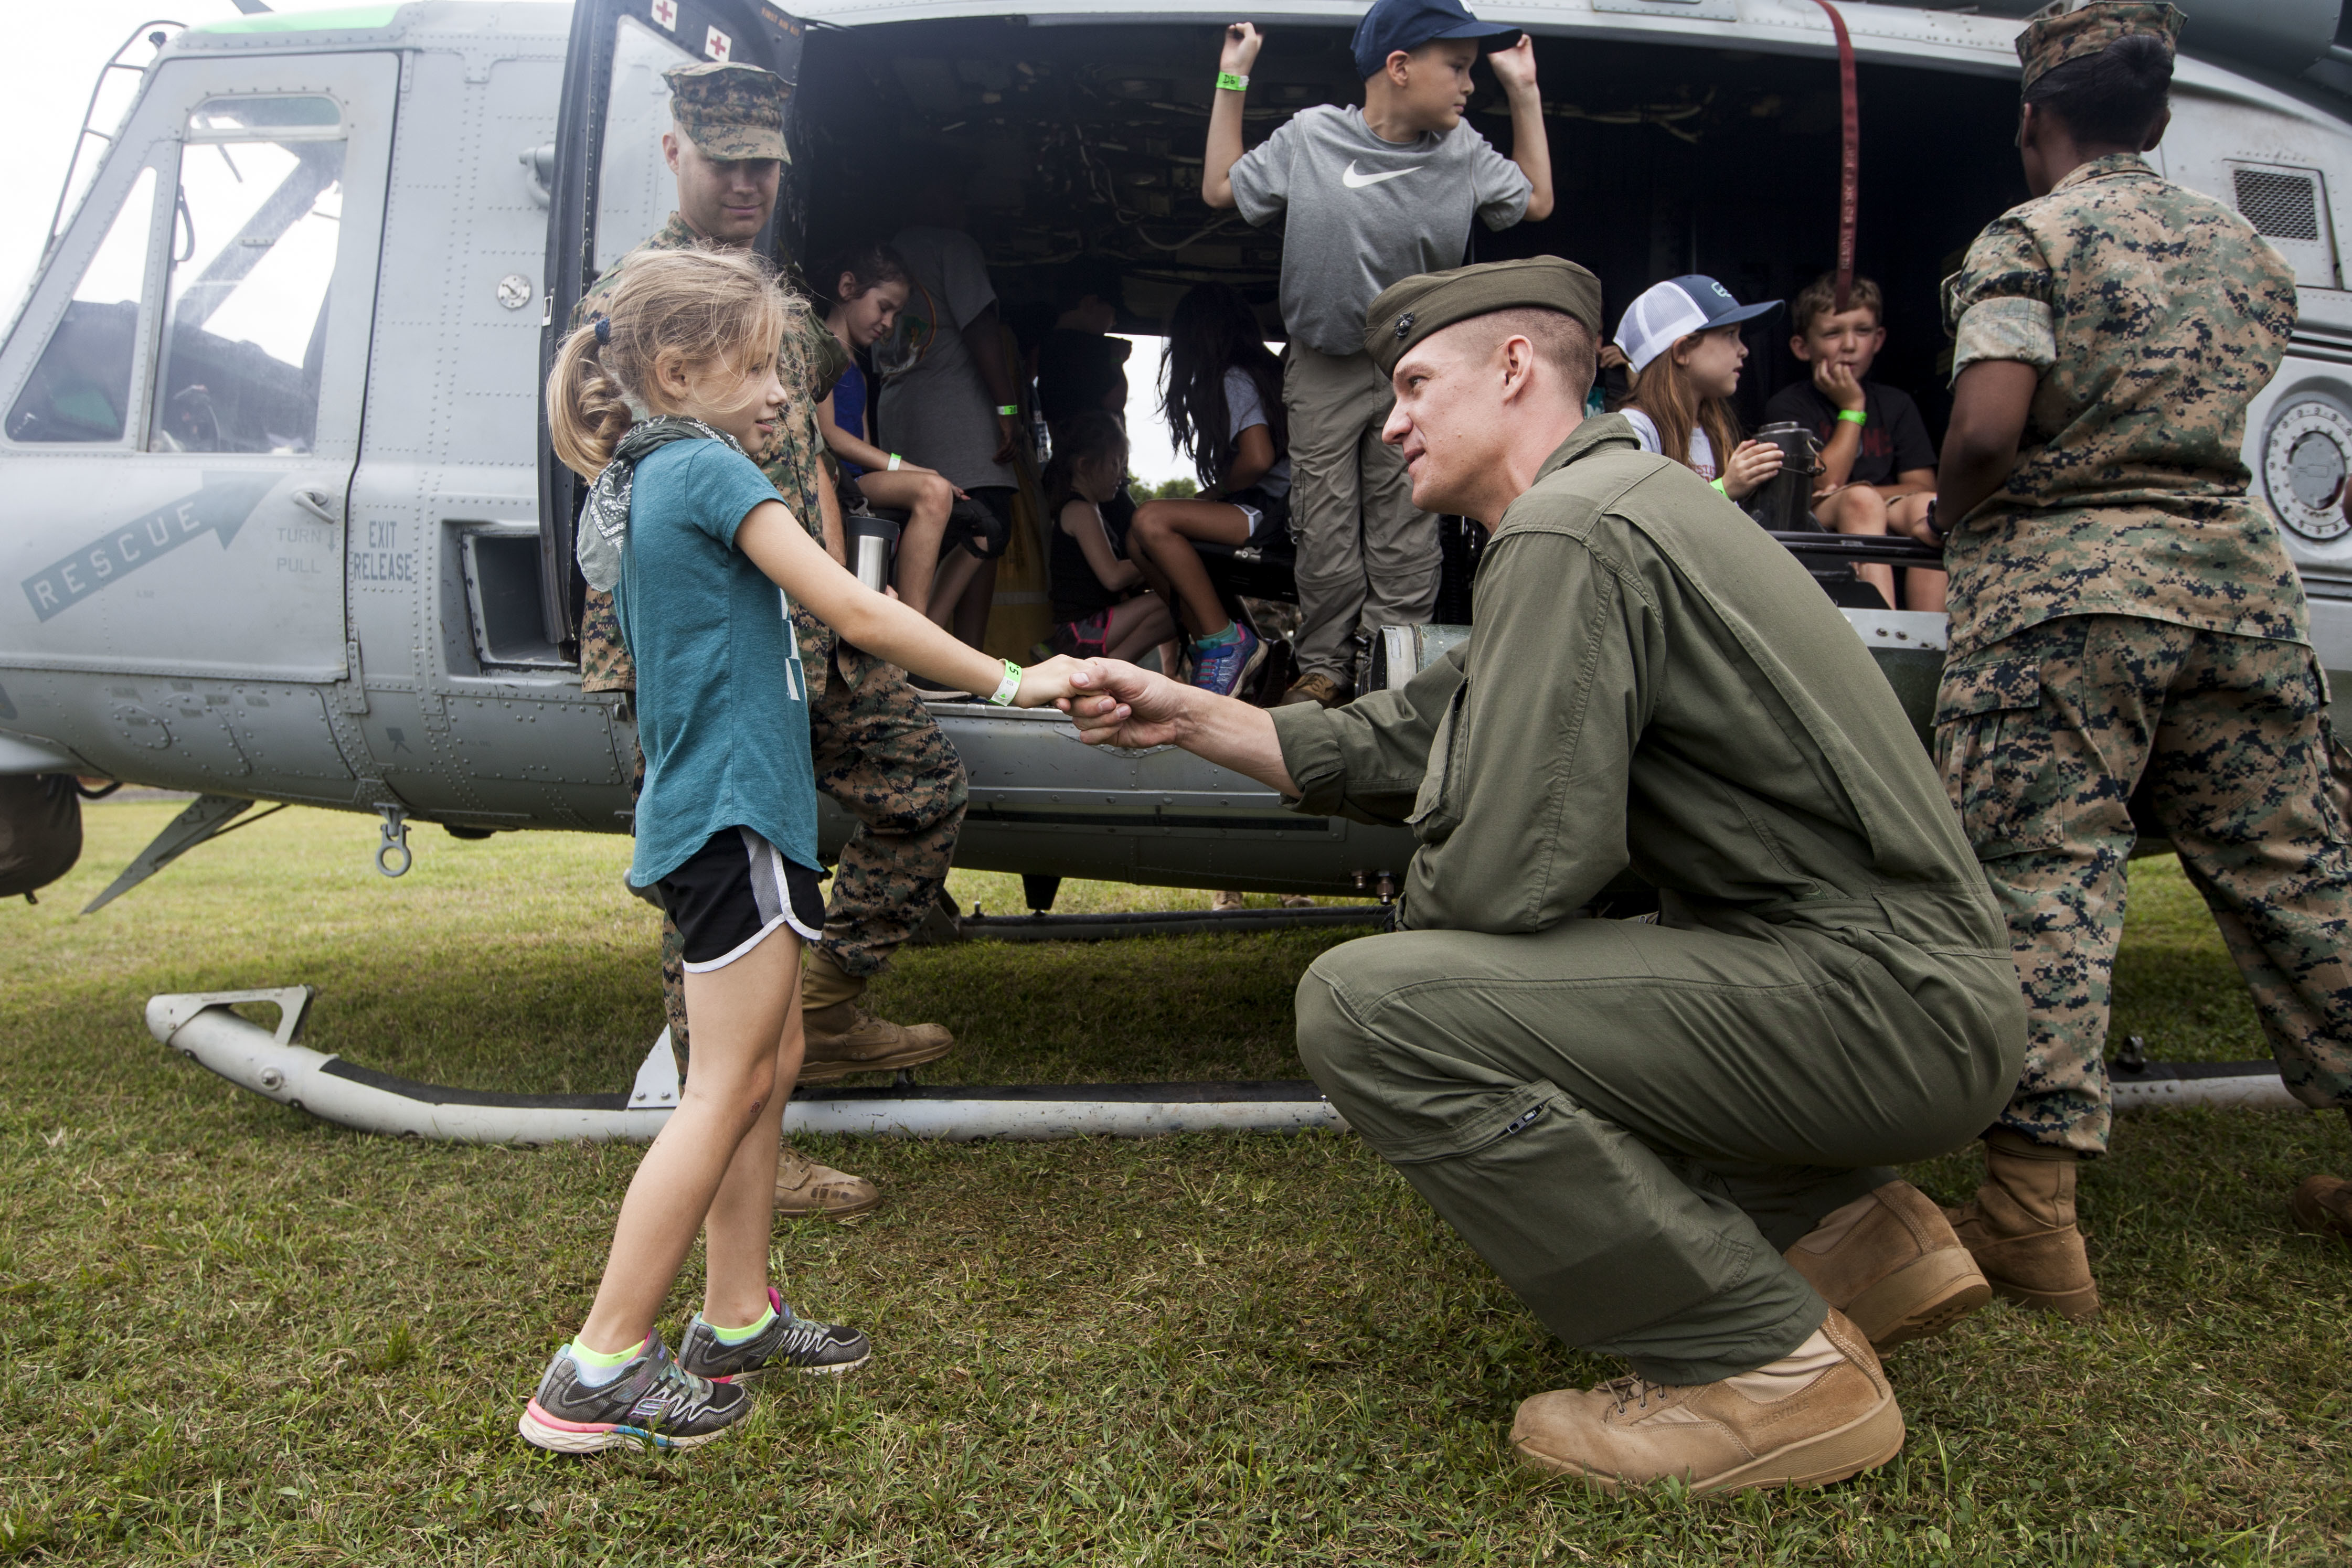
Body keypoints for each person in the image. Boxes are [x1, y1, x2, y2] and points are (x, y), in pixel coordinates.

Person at [1062, 256, 2028, 1495]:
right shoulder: (1616, 506)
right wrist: (1190, 714)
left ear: (1515, 368)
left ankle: (1760, 1369)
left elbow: (1507, 882)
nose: (1391, 422)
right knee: (1552, 984)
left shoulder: (1570, 530)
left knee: (1375, 1009)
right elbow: (1410, 733)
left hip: (1884, 1007)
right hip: (1902, 992)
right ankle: (1849, 1234)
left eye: (1414, 385)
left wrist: (1437, 945)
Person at [528, 248, 1078, 1452]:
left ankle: (733, 1318)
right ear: (681, 373)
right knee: (725, 1086)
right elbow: (855, 606)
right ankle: (596, 1369)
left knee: (768, 1065)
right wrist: (1015, 678)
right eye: (758, 367)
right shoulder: (702, 469)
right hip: (730, 820)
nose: (785, 390)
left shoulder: (661, 473)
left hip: (737, 817)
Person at [1933, 1, 2352, 1311]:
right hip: (2239, 597)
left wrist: (1952, 517)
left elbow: (1988, 429)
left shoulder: (2028, 238)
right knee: (2298, 879)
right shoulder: (2244, 250)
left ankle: (2029, 1220)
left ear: (2032, 122)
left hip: (2067, 601)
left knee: (2044, 879)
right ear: (2159, 117)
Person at [574, 62, 971, 1220]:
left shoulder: (780, 303)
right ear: (675, 154)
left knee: (923, 789)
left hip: (813, 621)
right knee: (713, 891)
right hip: (703, 636)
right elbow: (610, 466)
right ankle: (737, 1126)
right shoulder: (639, 298)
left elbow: (804, 444)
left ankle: (823, 1009)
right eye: (725, 160)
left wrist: (847, 585)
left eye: (765, 164)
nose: (748, 181)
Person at [1204, 0, 1553, 708]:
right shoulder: (1312, 137)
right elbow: (1219, 188)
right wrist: (1231, 76)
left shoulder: (1461, 151)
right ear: (1398, 68)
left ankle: (1389, 674)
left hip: (1417, 374)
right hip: (1324, 367)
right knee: (1324, 526)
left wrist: (1524, 90)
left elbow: (1536, 201)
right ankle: (1324, 668)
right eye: (1456, 67)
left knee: (1406, 527)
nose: (1469, 85)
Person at [879, 190, 1026, 646]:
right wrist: (1007, 408)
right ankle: (958, 653)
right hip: (957, 424)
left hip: (898, 420)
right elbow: (981, 327)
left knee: (925, 537)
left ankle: (925, 648)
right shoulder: (951, 246)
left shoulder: (887, 256)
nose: (965, 208)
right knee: (985, 527)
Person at [1129, 283, 1288, 698]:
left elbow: (1257, 459)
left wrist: (1218, 491)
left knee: (1150, 519)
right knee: (1137, 540)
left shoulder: (1234, 376)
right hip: (1271, 507)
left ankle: (1224, 642)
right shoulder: (1260, 371)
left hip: (1275, 513)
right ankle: (1220, 642)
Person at [1764, 272, 1944, 611]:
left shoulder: (1897, 404)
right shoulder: (1789, 405)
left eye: (1862, 331)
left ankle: (1931, 628)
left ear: (1878, 339)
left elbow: (1922, 485)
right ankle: (1882, 629)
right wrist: (1852, 408)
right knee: (1861, 501)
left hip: (1882, 506)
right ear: (1802, 347)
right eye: (1833, 333)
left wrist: (1869, 494)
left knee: (1930, 506)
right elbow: (1825, 481)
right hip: (1818, 512)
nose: (1849, 344)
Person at [814, 239, 967, 617]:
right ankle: (913, 625)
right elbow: (831, 435)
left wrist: (912, 475)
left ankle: (914, 618)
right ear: (848, 287)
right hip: (833, 480)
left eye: (896, 315)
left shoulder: (859, 370)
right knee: (933, 488)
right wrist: (917, 472)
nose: (889, 324)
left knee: (954, 505)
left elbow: (865, 448)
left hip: (858, 482)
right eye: (884, 308)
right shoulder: (819, 349)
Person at [1612, 274, 1785, 505]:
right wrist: (1726, 489)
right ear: (1683, 351)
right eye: (1730, 334)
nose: (1743, 350)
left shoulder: (1712, 424)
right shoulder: (1635, 429)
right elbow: (1644, 518)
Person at [1045, 412, 1177, 661]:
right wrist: (1162, 557)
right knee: (1173, 603)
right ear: (1084, 466)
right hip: (1080, 631)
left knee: (1173, 614)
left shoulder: (1090, 510)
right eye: (1115, 464)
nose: (1123, 476)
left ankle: (1104, 671)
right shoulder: (1080, 510)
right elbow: (1113, 577)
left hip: (1085, 629)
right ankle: (1101, 671)